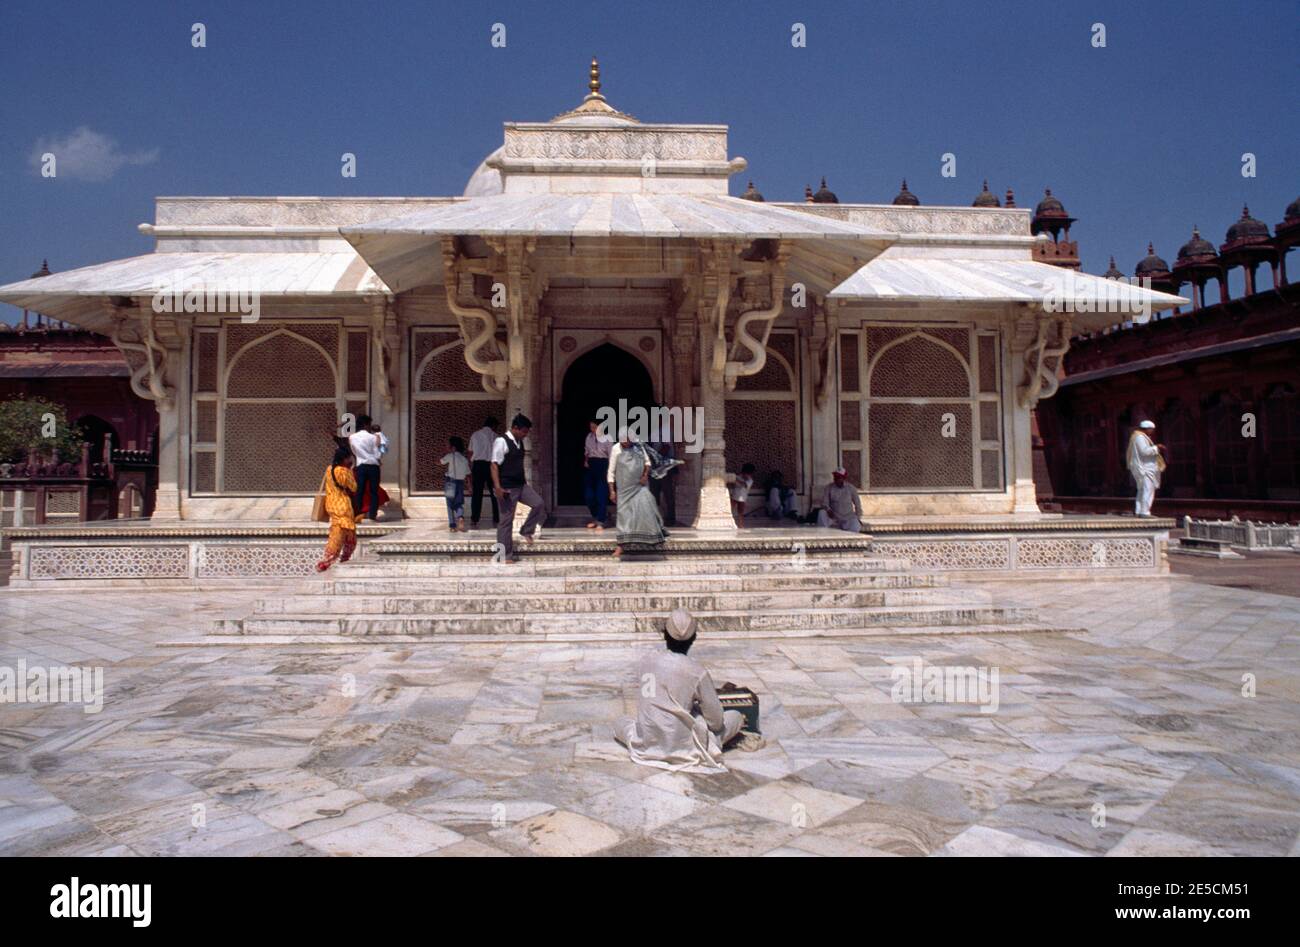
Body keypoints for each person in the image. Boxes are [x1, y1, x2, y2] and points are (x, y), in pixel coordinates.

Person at [614, 609, 760, 773]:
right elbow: (716, 722)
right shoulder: (696, 671)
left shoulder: (646, 660)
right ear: (694, 638)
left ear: (665, 635)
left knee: (621, 722)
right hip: (685, 748)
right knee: (736, 717)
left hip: (646, 742)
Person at [491, 413, 547, 563]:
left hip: (521, 485)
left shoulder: (519, 442)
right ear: (515, 428)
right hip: (507, 488)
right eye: (524, 431)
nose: (525, 434)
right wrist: (497, 487)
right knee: (506, 522)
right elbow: (494, 465)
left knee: (538, 503)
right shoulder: (501, 441)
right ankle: (504, 555)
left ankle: (526, 530)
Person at [608, 429, 668, 557]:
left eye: (628, 439)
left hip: (639, 485)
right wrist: (612, 491)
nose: (625, 442)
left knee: (645, 509)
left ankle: (649, 539)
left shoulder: (638, 447)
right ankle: (621, 545)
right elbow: (611, 471)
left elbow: (647, 463)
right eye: (623, 439)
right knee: (623, 514)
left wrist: (645, 476)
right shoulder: (616, 449)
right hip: (624, 488)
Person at [317, 447, 358, 572]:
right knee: (341, 535)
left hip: (331, 504)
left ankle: (337, 559)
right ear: (345, 458)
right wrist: (350, 471)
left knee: (340, 532)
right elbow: (354, 487)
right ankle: (328, 561)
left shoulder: (329, 469)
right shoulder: (344, 472)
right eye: (349, 457)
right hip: (343, 506)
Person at [1127, 419, 1166, 517]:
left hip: (1146, 467)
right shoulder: (1139, 437)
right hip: (1145, 468)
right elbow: (1144, 451)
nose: (1152, 432)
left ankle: (1139, 510)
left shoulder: (1139, 436)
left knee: (1143, 489)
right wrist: (1157, 448)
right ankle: (1145, 511)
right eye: (1151, 429)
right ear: (1147, 429)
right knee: (1147, 489)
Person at [467, 415, 500, 529]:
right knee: (495, 493)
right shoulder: (496, 436)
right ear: (493, 426)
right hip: (491, 466)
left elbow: (470, 452)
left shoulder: (475, 435)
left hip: (478, 465)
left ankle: (474, 519)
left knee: (477, 493)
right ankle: (497, 518)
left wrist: (471, 466)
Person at [349, 413, 383, 521]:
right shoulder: (374, 437)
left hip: (361, 466)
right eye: (369, 424)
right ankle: (373, 515)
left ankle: (357, 514)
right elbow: (378, 454)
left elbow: (354, 451)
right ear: (365, 425)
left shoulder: (352, 437)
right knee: (374, 491)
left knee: (360, 491)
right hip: (373, 466)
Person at [583, 417, 613, 530]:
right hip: (591, 464)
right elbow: (587, 451)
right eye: (591, 427)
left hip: (603, 464)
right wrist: (586, 461)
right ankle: (597, 516)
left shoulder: (607, 438)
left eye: (595, 427)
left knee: (601, 493)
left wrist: (610, 471)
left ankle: (601, 520)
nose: (593, 429)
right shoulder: (589, 437)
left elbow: (611, 454)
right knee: (589, 495)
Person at [816, 467, 863, 532]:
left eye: (839, 477)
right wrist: (828, 510)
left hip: (848, 518)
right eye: (835, 477)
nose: (836, 479)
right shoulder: (829, 488)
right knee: (822, 513)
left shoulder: (851, 488)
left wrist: (858, 518)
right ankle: (824, 533)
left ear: (844, 478)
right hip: (834, 518)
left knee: (855, 526)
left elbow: (858, 505)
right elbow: (824, 503)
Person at [648, 430, 679, 526]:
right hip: (655, 467)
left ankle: (670, 518)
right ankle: (654, 518)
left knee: (668, 492)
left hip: (665, 466)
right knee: (653, 493)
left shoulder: (665, 432)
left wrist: (656, 457)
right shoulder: (653, 433)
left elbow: (666, 447)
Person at [440, 436, 471, 532]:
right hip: (460, 483)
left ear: (453, 447)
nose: (447, 447)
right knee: (459, 503)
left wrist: (444, 453)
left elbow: (439, 462)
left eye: (448, 445)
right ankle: (460, 517)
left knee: (449, 504)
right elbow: (468, 474)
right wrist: (470, 486)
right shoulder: (464, 459)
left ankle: (452, 525)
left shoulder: (450, 456)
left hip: (450, 482)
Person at [730, 463, 756, 528]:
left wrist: (737, 479)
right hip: (735, 496)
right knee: (730, 509)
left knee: (740, 512)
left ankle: (741, 524)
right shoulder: (738, 476)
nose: (747, 475)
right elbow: (733, 483)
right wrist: (736, 478)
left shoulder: (750, 480)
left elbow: (744, 485)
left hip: (743, 498)